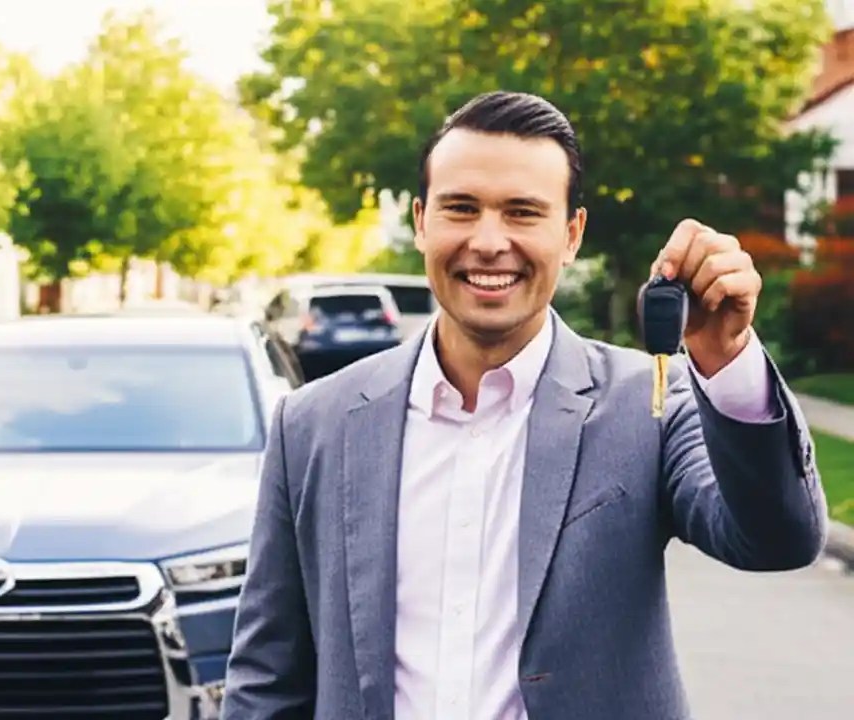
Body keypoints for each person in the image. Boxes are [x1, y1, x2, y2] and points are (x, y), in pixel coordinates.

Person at [220, 90, 828, 720]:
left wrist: (726, 356)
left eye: (522, 212)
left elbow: (778, 538)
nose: (489, 241)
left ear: (570, 235)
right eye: (462, 208)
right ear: (422, 220)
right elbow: (267, 676)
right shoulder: (313, 424)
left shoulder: (644, 403)